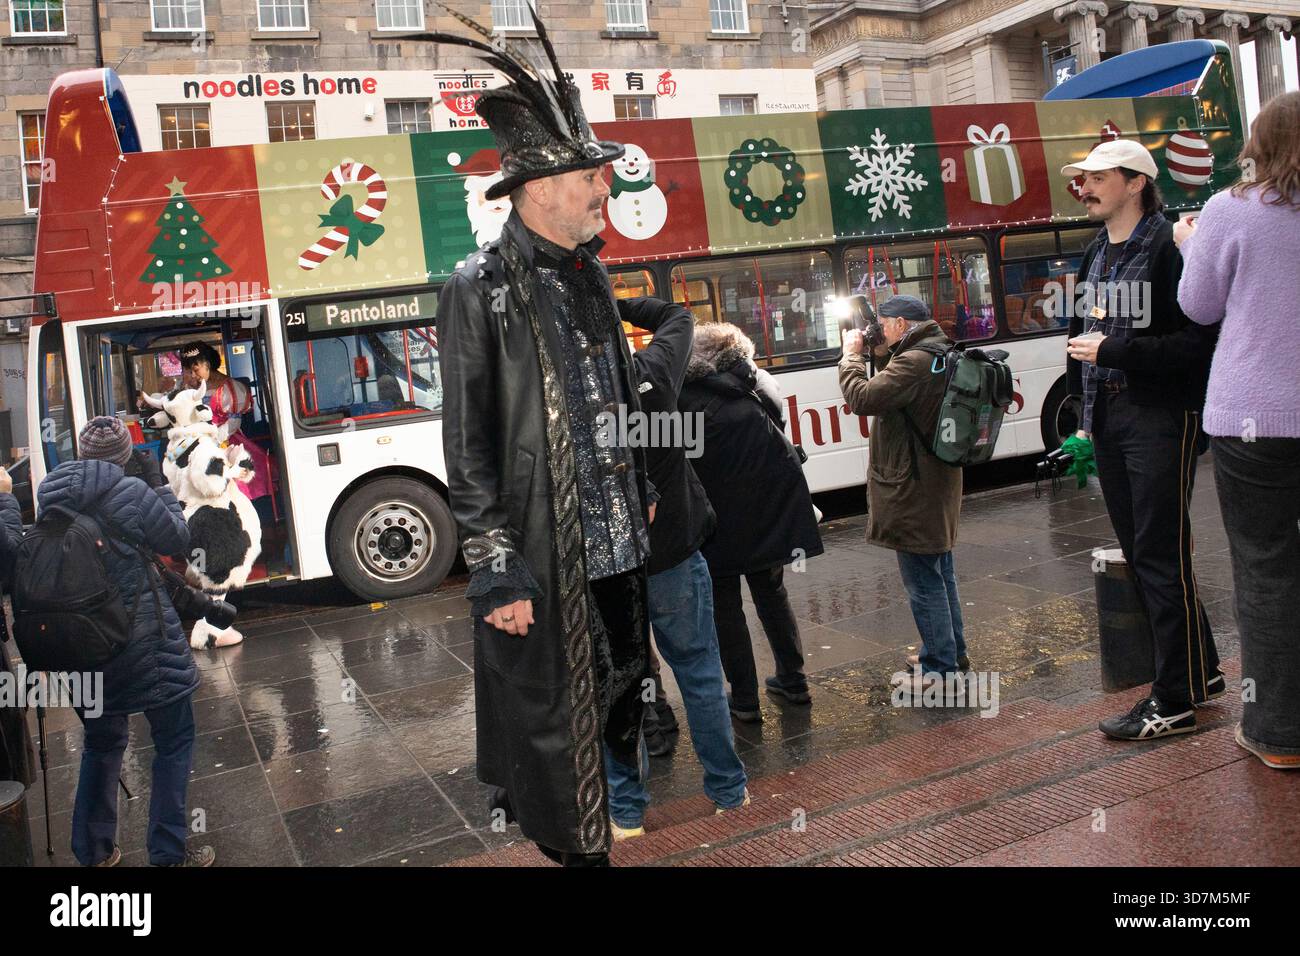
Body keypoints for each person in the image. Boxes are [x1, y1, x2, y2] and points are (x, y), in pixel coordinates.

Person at [432, 16, 654, 867]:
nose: (603, 185)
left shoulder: (592, 272)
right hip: (544, 550)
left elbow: (615, 395)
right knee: (556, 733)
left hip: (619, 546)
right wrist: (494, 567)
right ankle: (580, 851)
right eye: (585, 175)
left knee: (620, 697)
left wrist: (642, 485)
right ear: (534, 190)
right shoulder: (477, 288)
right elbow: (468, 442)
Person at [1061, 139, 1223, 741]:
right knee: (1147, 554)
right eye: (1083, 178)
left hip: (1159, 418)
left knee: (1159, 555)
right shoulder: (1095, 252)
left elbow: (1195, 345)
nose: (1085, 186)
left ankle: (1173, 700)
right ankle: (1200, 671)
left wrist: (1115, 350)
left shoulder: (1168, 249)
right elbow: (1081, 333)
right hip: (1109, 421)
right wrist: (1083, 417)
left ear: (1136, 183)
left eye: (1098, 177)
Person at [1174, 91, 1300, 769]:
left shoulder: (1230, 211)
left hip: (1255, 421)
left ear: (1261, 142)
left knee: (1267, 570)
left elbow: (1197, 307)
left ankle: (1279, 734)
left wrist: (1195, 245)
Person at [31, 417, 212, 866]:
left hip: (81, 650)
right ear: (124, 455)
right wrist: (157, 485)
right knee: (172, 741)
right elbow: (177, 537)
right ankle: (168, 855)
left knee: (102, 742)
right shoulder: (131, 493)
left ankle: (93, 852)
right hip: (143, 642)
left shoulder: (49, 498)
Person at [604, 300, 751, 839]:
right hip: (673, 557)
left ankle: (626, 812)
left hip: (610, 567)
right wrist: (615, 300)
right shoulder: (654, 377)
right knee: (700, 673)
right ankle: (728, 792)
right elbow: (677, 316)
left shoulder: (581, 406)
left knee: (619, 688)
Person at [679, 323, 823, 722]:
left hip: (716, 525)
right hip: (765, 516)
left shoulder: (685, 400)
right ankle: (793, 681)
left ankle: (744, 700)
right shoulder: (758, 386)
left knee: (726, 611)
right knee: (773, 596)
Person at [838, 295, 971, 698]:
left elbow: (862, 398)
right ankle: (949, 652)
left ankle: (941, 671)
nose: (879, 328)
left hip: (913, 486)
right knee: (940, 572)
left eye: (883, 323)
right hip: (936, 481)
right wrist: (878, 350)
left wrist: (850, 358)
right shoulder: (937, 351)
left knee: (923, 582)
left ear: (900, 324)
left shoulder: (914, 363)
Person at [177, 341, 273, 505]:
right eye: (189, 371)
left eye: (195, 369)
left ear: (207, 364)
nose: (193, 375)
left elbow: (234, 422)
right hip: (194, 439)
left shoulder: (230, 387)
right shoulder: (189, 388)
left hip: (225, 440)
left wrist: (213, 440)